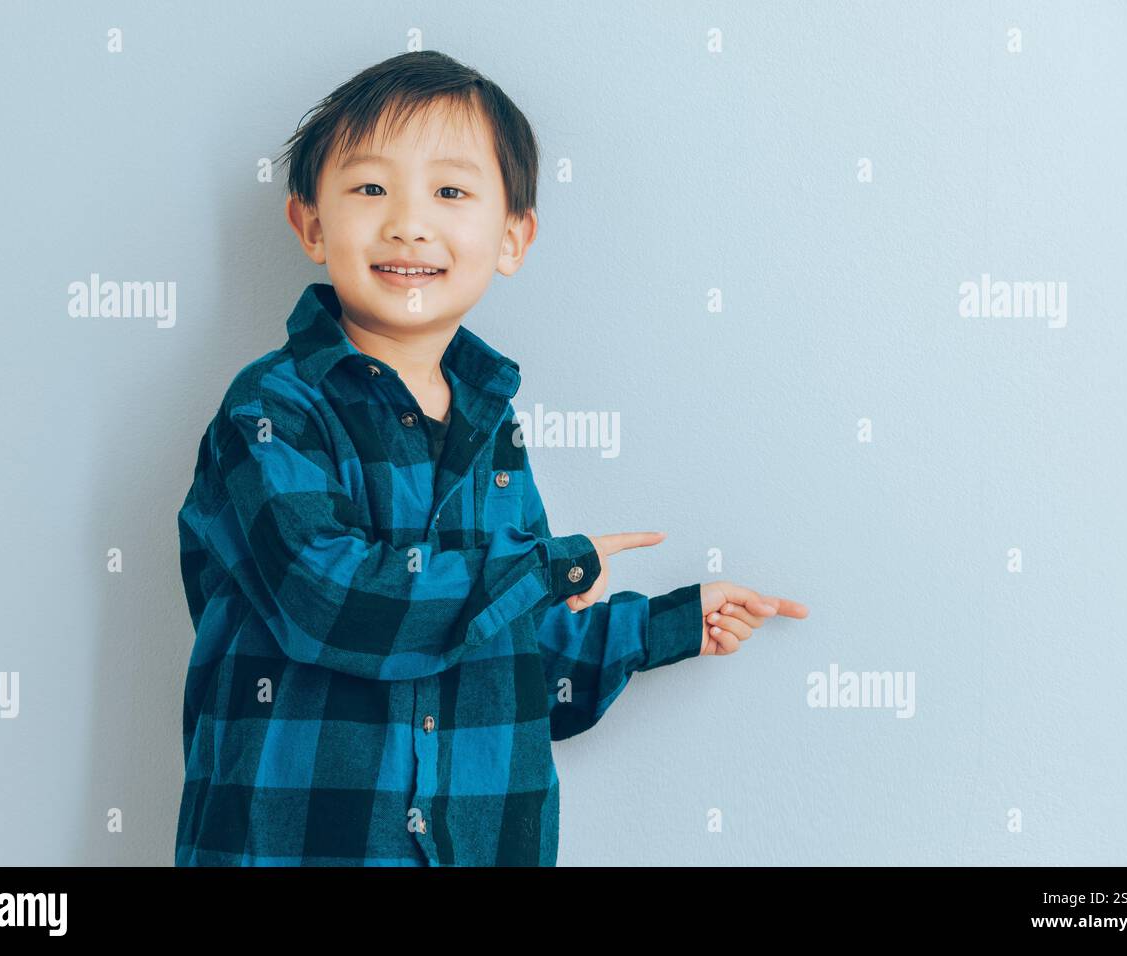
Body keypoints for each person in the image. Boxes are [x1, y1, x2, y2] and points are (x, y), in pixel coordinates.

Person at [174, 50, 808, 866]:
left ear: (513, 237)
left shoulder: (493, 425)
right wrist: (547, 569)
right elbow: (323, 596)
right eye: (371, 189)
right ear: (310, 225)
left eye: (450, 192)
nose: (408, 221)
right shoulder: (271, 409)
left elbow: (527, 662)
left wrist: (673, 625)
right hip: (298, 844)